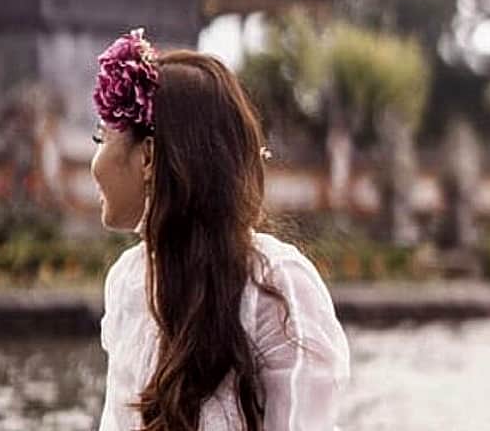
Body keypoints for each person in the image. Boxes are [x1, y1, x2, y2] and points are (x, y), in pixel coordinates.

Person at [90, 29, 349, 431]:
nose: (96, 163)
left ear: (147, 158)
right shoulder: (128, 281)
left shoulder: (276, 286)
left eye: (101, 139)